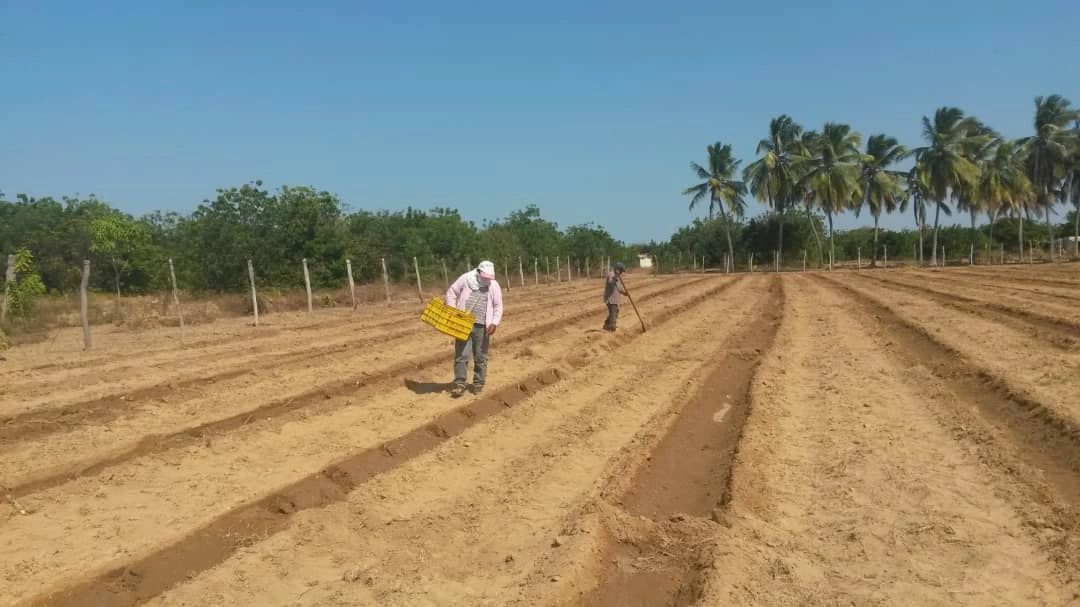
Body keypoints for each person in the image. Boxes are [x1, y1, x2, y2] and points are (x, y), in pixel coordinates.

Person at [445, 260, 503, 397]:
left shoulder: (494, 286)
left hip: (483, 326)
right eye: (484, 277)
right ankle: (459, 383)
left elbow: (498, 306)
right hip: (463, 324)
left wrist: (494, 323)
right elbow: (451, 293)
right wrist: (453, 313)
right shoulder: (466, 279)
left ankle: (478, 383)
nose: (486, 280)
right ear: (478, 272)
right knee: (462, 355)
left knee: (480, 356)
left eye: (489, 278)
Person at [602, 262, 628, 331]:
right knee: (613, 313)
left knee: (615, 312)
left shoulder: (617, 276)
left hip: (614, 299)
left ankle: (606, 325)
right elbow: (610, 283)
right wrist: (615, 277)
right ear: (617, 269)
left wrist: (624, 293)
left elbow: (618, 288)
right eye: (621, 271)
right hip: (610, 299)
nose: (621, 273)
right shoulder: (611, 274)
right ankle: (612, 327)